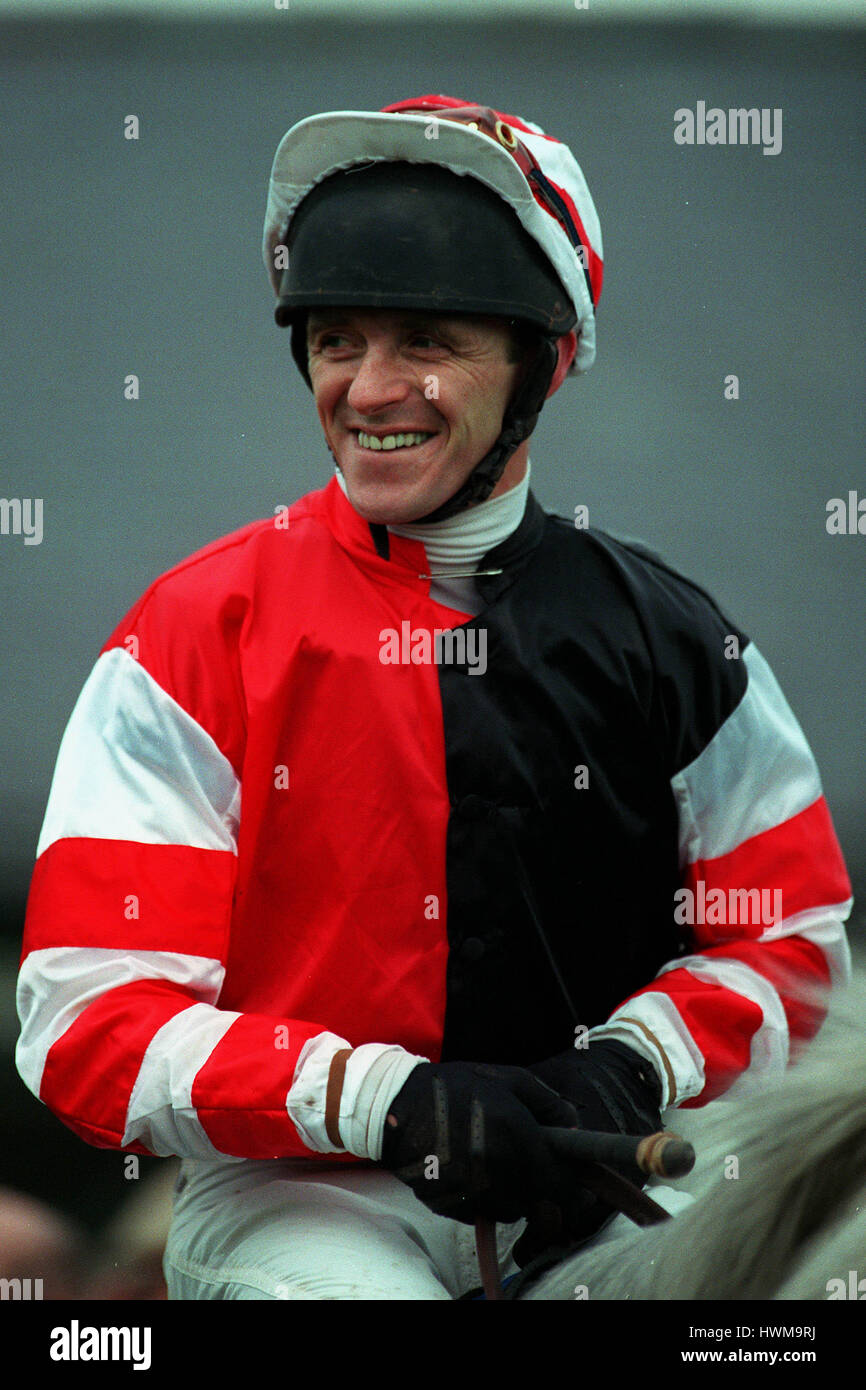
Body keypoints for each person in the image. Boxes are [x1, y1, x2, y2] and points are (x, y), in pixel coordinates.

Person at [16, 94, 853, 1301]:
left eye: (424, 340)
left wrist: (628, 1065)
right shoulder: (191, 634)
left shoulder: (675, 640)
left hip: (613, 1178)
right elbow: (87, 1019)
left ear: (543, 359)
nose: (368, 388)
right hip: (299, 1192)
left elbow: (790, 945)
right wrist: (385, 1098)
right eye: (336, 338)